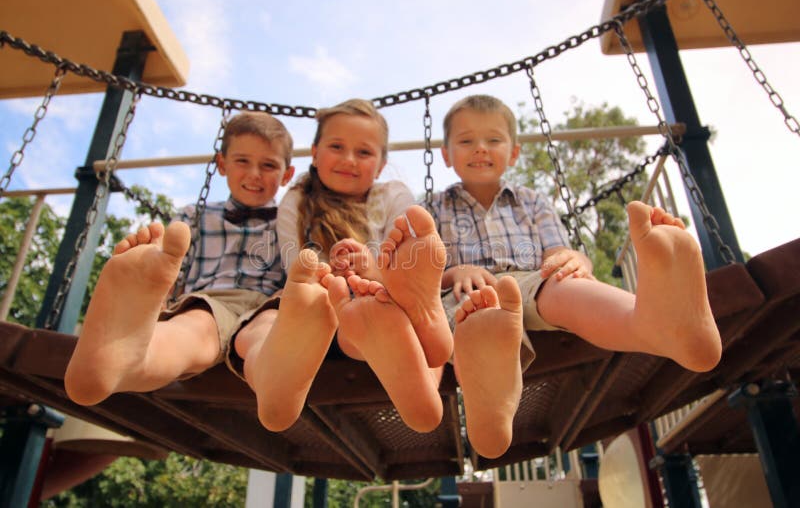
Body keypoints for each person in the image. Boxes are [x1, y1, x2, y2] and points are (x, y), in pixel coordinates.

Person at [428, 94, 723, 458]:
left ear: (514, 152)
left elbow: (557, 253)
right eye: (466, 140)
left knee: (566, 286)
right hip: (469, 291)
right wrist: (455, 270)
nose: (480, 149)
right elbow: (422, 272)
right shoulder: (433, 207)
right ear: (445, 155)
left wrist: (575, 259)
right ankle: (491, 397)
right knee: (468, 318)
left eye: (493, 140)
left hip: (531, 279)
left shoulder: (532, 201)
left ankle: (652, 322)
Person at [64, 111, 312, 432]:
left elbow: (298, 267)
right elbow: (175, 273)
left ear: (286, 174)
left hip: (267, 304)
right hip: (210, 301)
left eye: (268, 165)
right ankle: (123, 360)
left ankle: (276, 384)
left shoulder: (292, 219)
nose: (255, 174)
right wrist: (158, 301)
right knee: (190, 333)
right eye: (242, 161)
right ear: (222, 165)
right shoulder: (194, 215)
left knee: (265, 334)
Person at [271, 98, 453, 433]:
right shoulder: (298, 202)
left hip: (390, 291)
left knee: (402, 299)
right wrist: (333, 276)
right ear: (314, 152)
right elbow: (295, 266)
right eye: (337, 146)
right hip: (332, 309)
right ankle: (417, 370)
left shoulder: (392, 194)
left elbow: (411, 253)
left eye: (364, 152)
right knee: (351, 315)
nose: (349, 160)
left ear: (381, 164)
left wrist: (373, 270)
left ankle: (417, 346)